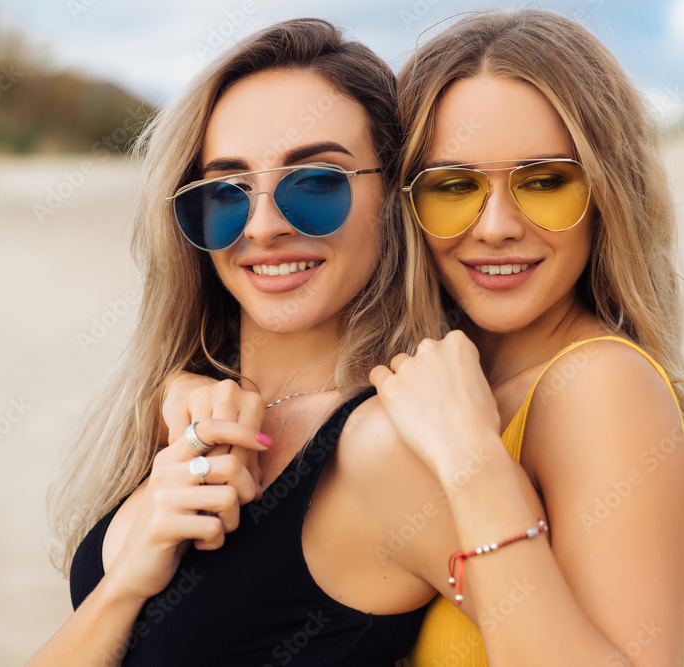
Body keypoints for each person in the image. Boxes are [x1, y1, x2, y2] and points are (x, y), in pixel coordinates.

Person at [161, 8, 684, 666]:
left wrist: (474, 466)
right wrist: (194, 386)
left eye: (544, 181)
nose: (497, 225)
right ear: (404, 204)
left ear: (609, 193)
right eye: (453, 186)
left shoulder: (597, 386)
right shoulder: (438, 381)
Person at [30, 18, 449, 666]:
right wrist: (126, 584)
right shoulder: (186, 404)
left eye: (316, 180)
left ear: (393, 195)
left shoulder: (386, 450)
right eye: (226, 191)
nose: (263, 225)